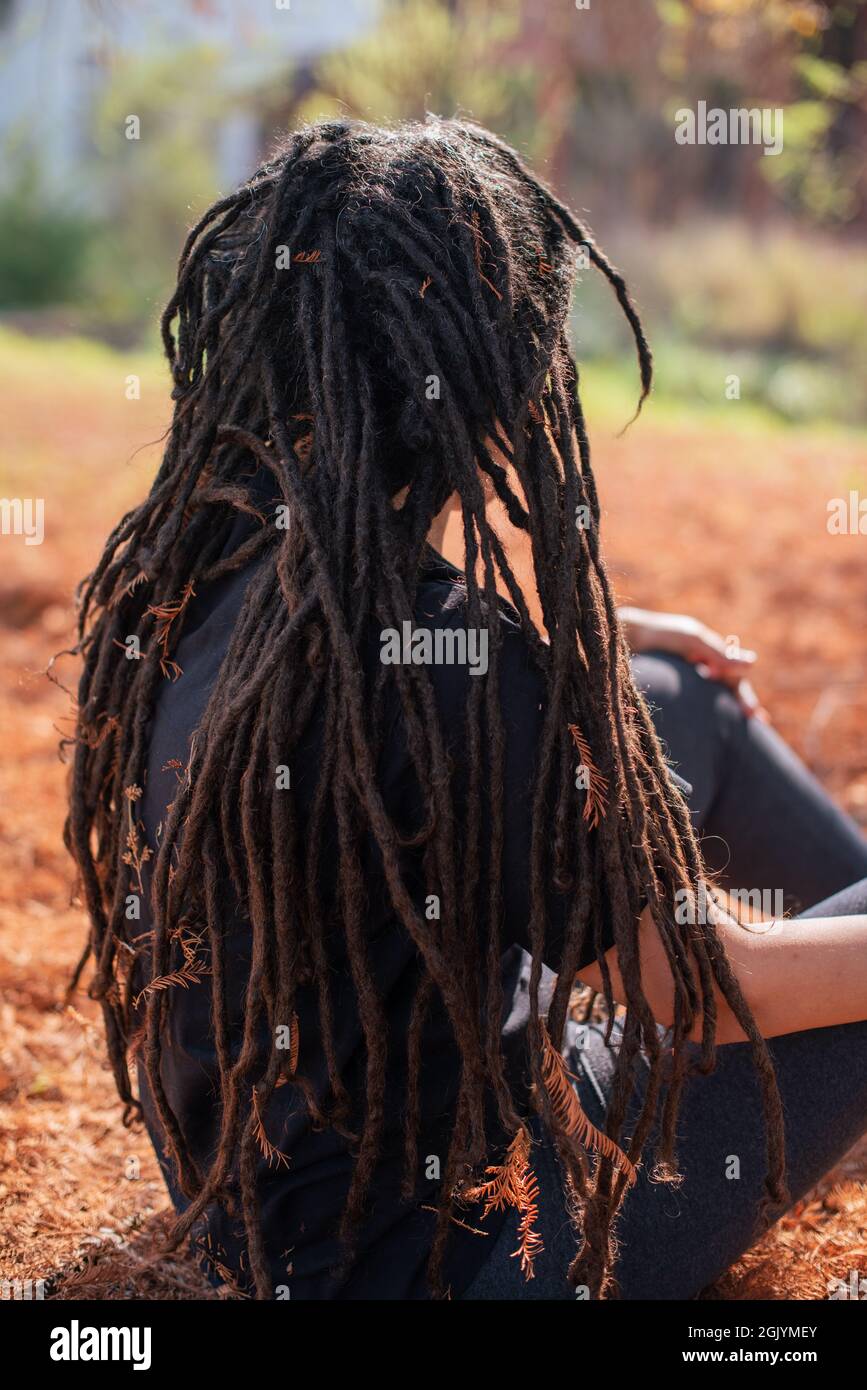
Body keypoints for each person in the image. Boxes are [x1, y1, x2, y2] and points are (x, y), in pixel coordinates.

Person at [66, 117, 867, 1301]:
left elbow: (398, 682)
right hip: (484, 1259)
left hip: (266, 1211)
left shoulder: (187, 573)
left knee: (672, 693)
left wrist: (593, 648)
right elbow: (710, 983)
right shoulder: (463, 678)